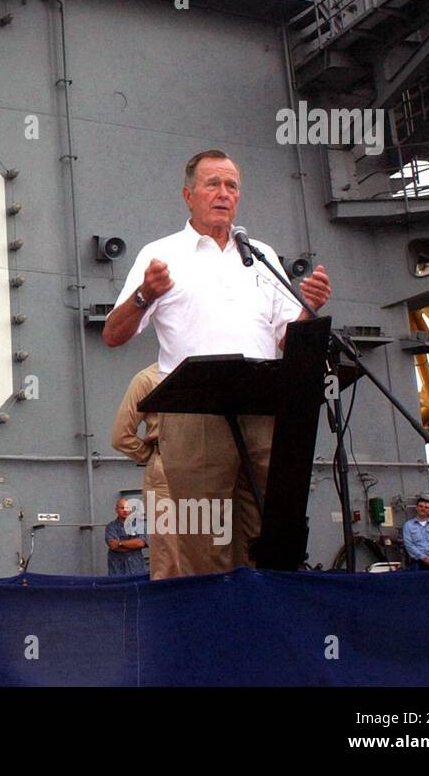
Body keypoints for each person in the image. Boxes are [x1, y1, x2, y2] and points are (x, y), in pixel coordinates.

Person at [102, 150, 332, 577]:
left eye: (232, 186)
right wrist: (145, 295)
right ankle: (208, 636)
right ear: (189, 195)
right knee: (204, 546)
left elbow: (286, 337)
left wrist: (309, 308)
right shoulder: (161, 253)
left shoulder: (260, 254)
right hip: (195, 415)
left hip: (263, 410)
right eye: (213, 184)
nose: (223, 194)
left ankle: (261, 632)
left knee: (269, 536)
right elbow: (114, 335)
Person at [110, 363, 180, 578]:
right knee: (213, 548)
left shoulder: (149, 378)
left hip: (169, 463)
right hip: (208, 464)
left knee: (171, 556)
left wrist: (154, 455)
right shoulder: (148, 379)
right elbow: (121, 437)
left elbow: (121, 436)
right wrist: (153, 456)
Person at [105, 498, 148, 576]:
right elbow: (113, 545)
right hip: (118, 570)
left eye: (127, 508)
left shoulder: (138, 525)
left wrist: (120, 543)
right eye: (122, 508)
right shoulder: (111, 527)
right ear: (116, 510)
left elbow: (140, 543)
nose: (125, 510)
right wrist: (133, 545)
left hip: (137, 569)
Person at [401, 497, 429, 569]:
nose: (423, 509)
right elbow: (409, 544)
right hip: (417, 562)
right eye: (420, 506)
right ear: (416, 508)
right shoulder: (408, 525)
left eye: (426, 507)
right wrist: (424, 558)